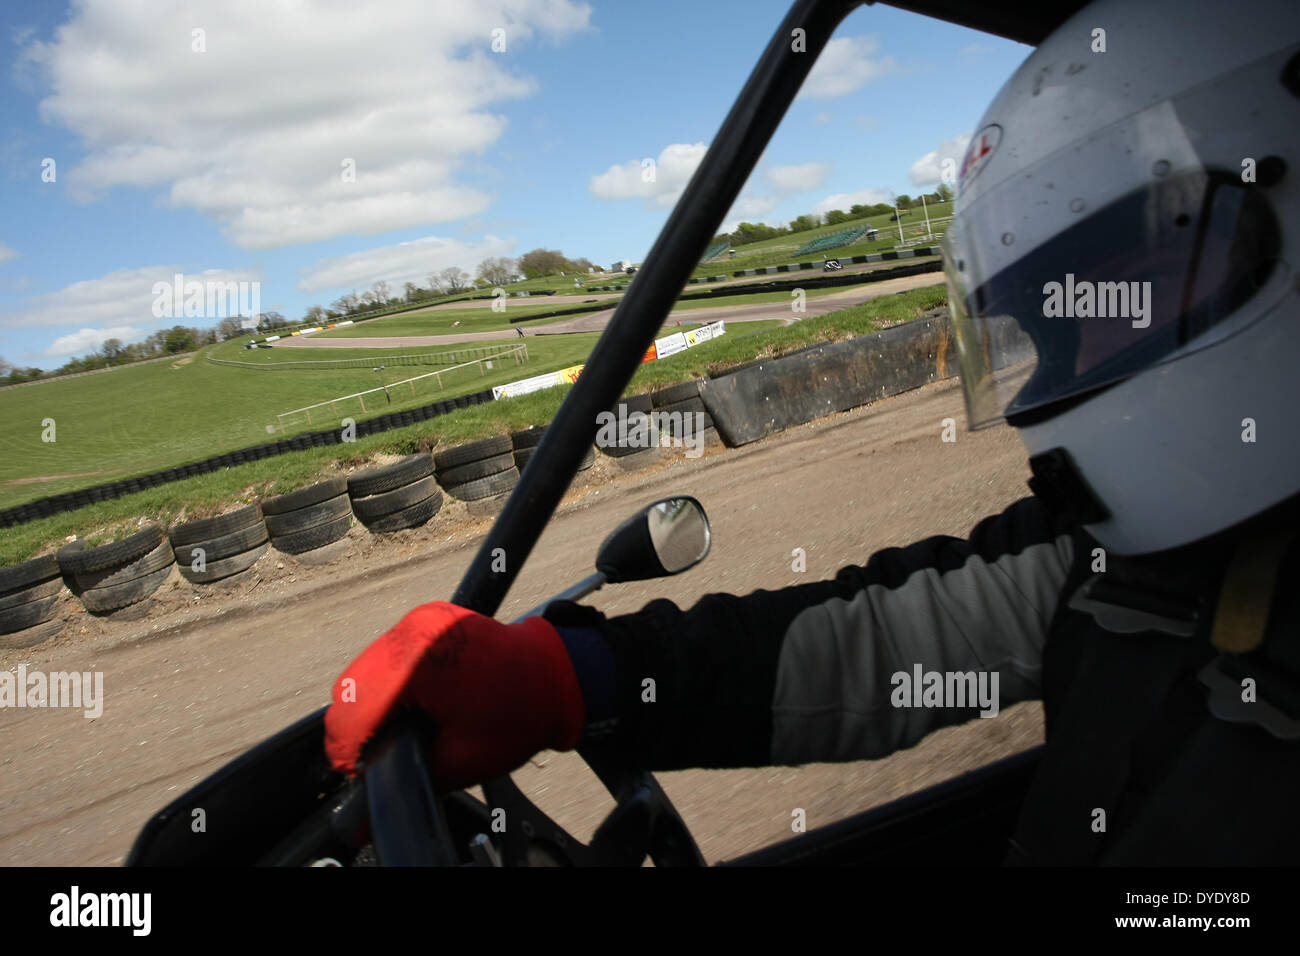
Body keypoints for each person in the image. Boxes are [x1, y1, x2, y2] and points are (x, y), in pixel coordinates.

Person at [324, 0, 1300, 864]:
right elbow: (885, 637)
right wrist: (572, 673)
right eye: (1044, 325)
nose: (1070, 351)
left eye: (1115, 289)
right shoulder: (1106, 563)